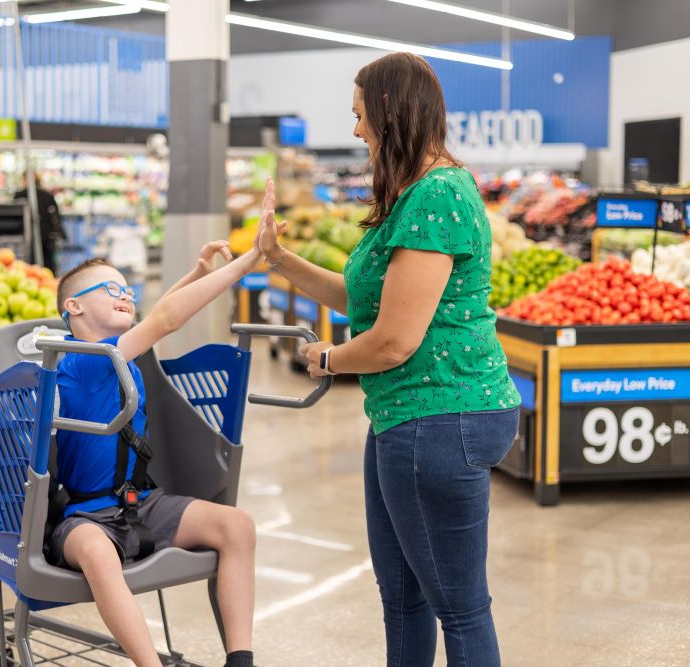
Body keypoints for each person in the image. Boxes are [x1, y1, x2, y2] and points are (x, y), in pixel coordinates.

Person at [255, 52, 521, 667]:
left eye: (358, 116)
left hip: (443, 415)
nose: (354, 131)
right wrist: (279, 260)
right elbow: (364, 297)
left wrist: (326, 359)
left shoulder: (435, 195)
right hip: (407, 418)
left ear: (388, 112)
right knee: (402, 597)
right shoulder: (410, 195)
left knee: (459, 607)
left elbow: (394, 339)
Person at [52, 241, 261, 667]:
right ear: (73, 307)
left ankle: (241, 660)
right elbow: (165, 319)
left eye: (128, 290)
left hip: (142, 504)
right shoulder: (78, 362)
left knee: (236, 525)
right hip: (85, 517)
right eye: (111, 289)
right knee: (95, 552)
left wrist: (197, 274)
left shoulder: (121, 353)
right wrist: (249, 261)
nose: (125, 295)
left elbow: (158, 314)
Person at [17, 173, 62, 271]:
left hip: (28, 236)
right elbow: (56, 216)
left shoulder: (20, 195)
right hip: (46, 237)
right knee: (47, 266)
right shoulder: (47, 195)